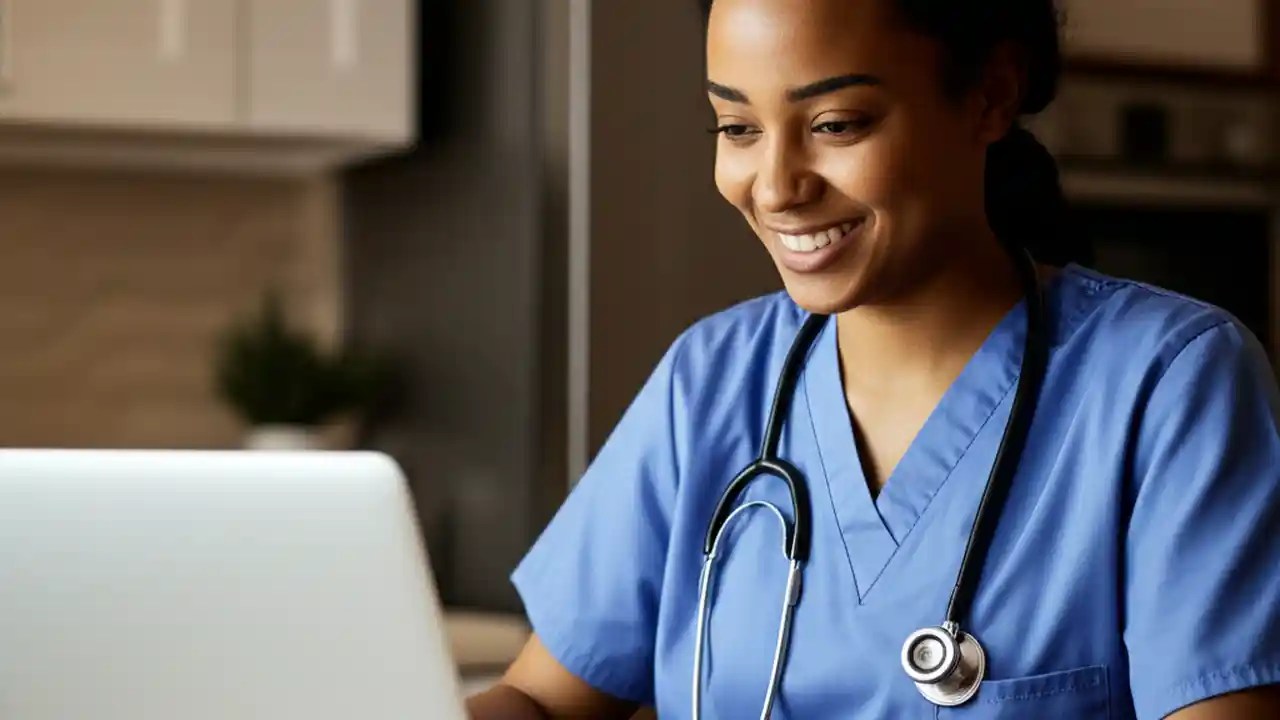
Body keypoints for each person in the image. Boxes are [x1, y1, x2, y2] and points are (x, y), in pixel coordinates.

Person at [467, 0, 1280, 717]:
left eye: (835, 124)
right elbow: (539, 700)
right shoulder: (709, 381)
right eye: (738, 128)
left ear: (991, 95)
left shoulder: (1169, 384)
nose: (776, 187)